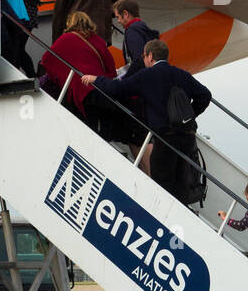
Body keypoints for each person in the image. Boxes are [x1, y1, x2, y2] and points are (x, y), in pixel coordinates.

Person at [82, 39, 211, 204]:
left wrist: (96, 79)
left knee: (161, 187)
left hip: (166, 140)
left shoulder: (147, 75)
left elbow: (118, 89)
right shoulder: (182, 74)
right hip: (187, 139)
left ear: (150, 56)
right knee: (181, 187)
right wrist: (189, 116)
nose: (143, 59)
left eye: (144, 55)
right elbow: (205, 95)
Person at [41, 11, 117, 129]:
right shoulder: (98, 40)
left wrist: (61, 75)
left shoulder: (66, 38)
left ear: (70, 23)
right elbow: (111, 67)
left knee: (82, 126)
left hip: (80, 89)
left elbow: (46, 59)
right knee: (97, 126)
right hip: (99, 88)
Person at [114, 0, 159, 77]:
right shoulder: (142, 27)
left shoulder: (132, 31)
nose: (118, 21)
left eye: (118, 17)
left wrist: (125, 79)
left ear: (125, 14)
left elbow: (139, 60)